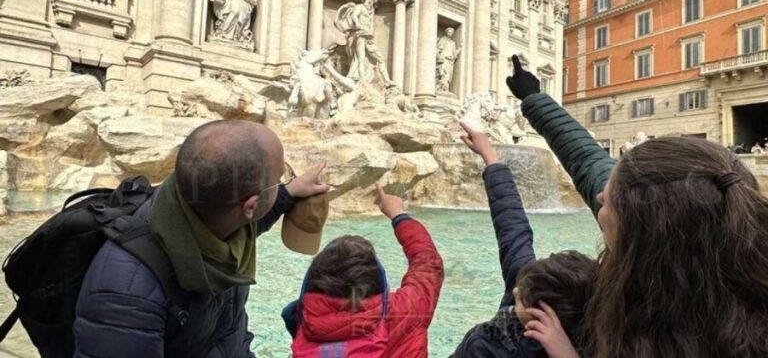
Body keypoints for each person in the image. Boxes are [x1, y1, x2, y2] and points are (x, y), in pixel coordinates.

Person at [506, 55, 768, 358]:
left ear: (643, 241)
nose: (601, 197)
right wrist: (535, 98)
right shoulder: (664, 211)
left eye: (610, 200)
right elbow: (589, 162)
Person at [73, 120, 330, 357]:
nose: (283, 183)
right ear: (250, 206)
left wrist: (288, 193)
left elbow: (252, 218)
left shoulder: (202, 205)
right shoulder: (126, 297)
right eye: (278, 180)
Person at [451, 122, 597, 358]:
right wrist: (491, 158)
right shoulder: (590, 340)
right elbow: (511, 226)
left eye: (521, 297)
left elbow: (514, 233)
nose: (517, 289)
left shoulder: (485, 345)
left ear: (538, 318)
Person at [282, 183, 444, 357]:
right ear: (380, 282)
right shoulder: (405, 311)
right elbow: (428, 263)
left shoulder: (304, 319)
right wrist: (399, 216)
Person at [334, 0, 396, 87]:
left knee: (380, 58)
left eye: (372, 0)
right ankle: (362, 80)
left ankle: (387, 81)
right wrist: (358, 24)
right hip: (360, 35)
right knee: (361, 58)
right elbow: (354, 15)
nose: (370, 2)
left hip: (367, 37)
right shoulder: (359, 7)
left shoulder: (369, 11)